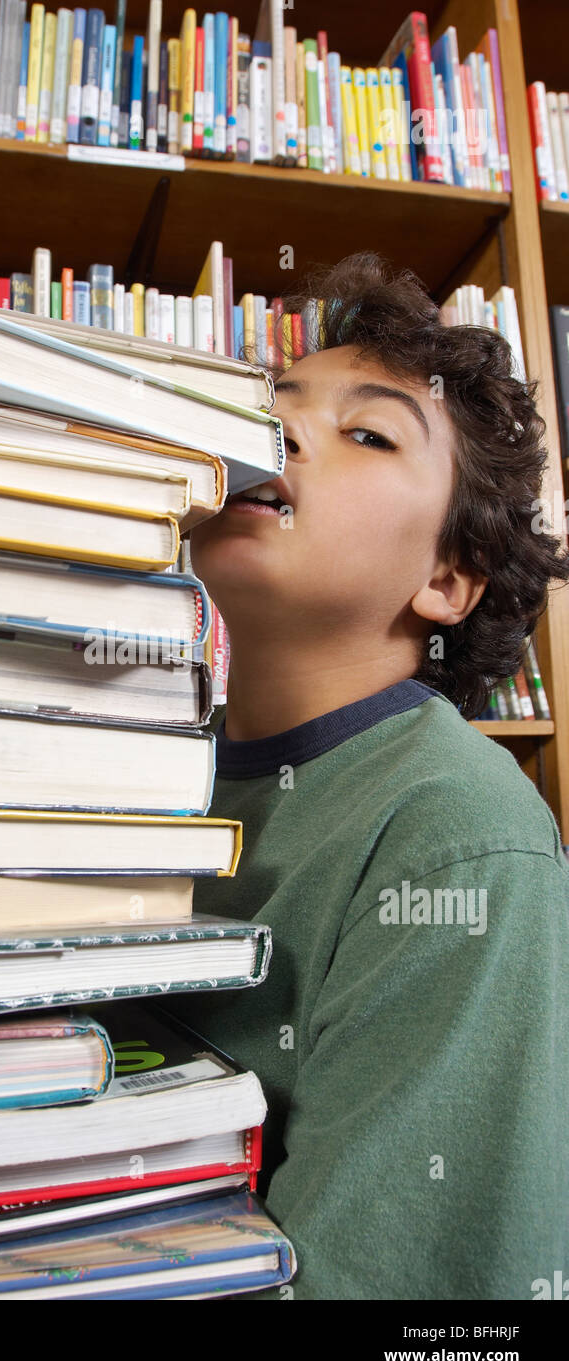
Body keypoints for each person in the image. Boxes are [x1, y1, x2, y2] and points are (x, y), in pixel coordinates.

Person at [167, 252, 569, 1300]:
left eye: (367, 432)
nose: (279, 434)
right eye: (272, 408)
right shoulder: (147, 770)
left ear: (443, 578)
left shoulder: (459, 833)